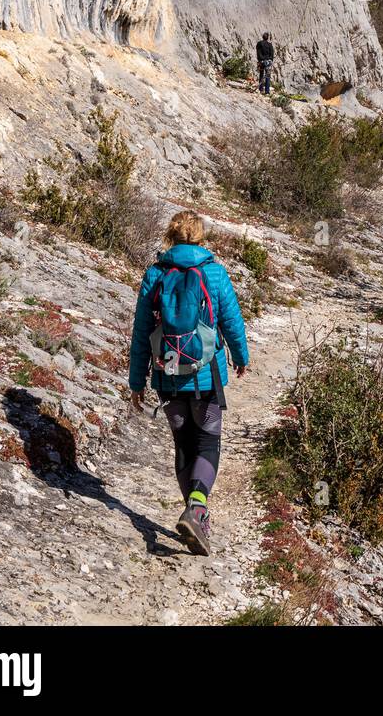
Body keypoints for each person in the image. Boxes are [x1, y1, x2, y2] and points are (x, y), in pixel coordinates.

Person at [129, 210, 250, 557]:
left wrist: (137, 381)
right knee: (207, 442)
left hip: (168, 376)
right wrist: (240, 357)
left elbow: (141, 333)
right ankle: (197, 509)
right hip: (205, 376)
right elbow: (231, 319)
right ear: (200, 237)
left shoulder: (155, 273)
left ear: (169, 236)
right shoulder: (213, 272)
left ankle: (194, 513)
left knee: (183, 445)